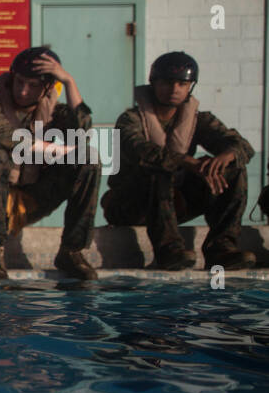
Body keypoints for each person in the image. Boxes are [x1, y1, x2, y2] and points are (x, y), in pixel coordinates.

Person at [0, 46, 101, 280]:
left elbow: (82, 132)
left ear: (48, 88)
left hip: (32, 198)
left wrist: (69, 81)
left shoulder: (56, 113)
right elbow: (5, 136)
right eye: (20, 82)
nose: (23, 91)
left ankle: (72, 251)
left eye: (33, 85)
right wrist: (56, 149)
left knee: (88, 160)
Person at [101, 51, 256, 270]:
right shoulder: (131, 119)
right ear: (154, 83)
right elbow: (141, 151)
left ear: (190, 86)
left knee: (234, 169)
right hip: (130, 204)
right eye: (166, 83)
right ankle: (169, 251)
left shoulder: (198, 120)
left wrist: (225, 156)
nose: (174, 90)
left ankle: (221, 249)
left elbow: (242, 146)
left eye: (182, 84)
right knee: (160, 169)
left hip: (174, 203)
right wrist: (188, 162)